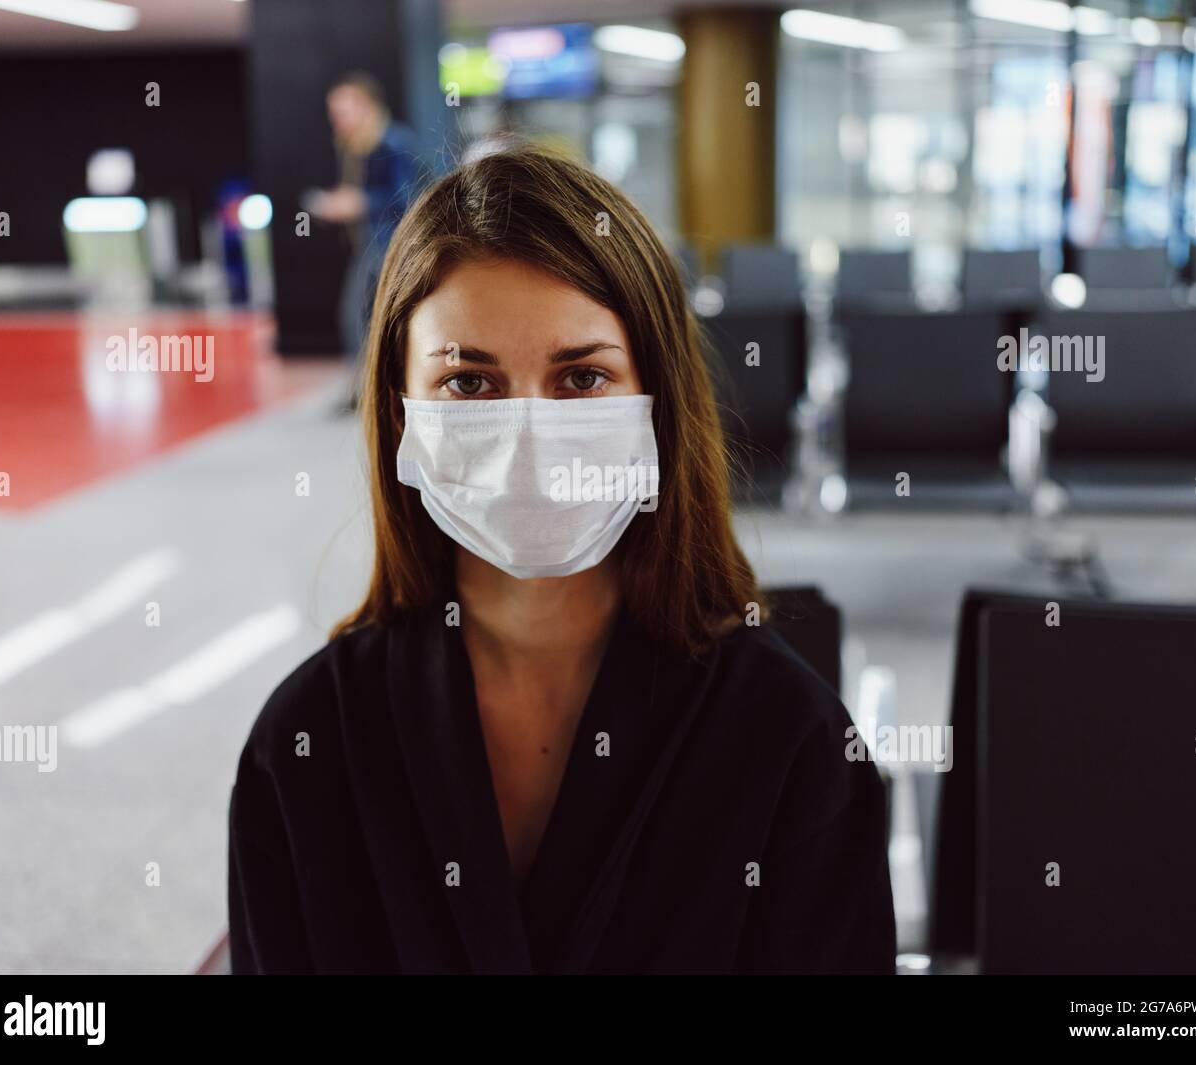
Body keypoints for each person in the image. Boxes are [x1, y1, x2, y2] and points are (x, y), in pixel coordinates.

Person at [227, 146, 896, 974]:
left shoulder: (792, 742)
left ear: (659, 401)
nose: (529, 438)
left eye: (582, 378)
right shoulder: (305, 742)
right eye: (470, 384)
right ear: (400, 415)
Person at [308, 71, 424, 401]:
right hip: (373, 245)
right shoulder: (359, 147)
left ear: (366, 106)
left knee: (359, 313)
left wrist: (358, 203)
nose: (337, 122)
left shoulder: (393, 143)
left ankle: (372, 388)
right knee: (362, 314)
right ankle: (371, 386)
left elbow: (406, 198)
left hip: (388, 246)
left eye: (342, 113)